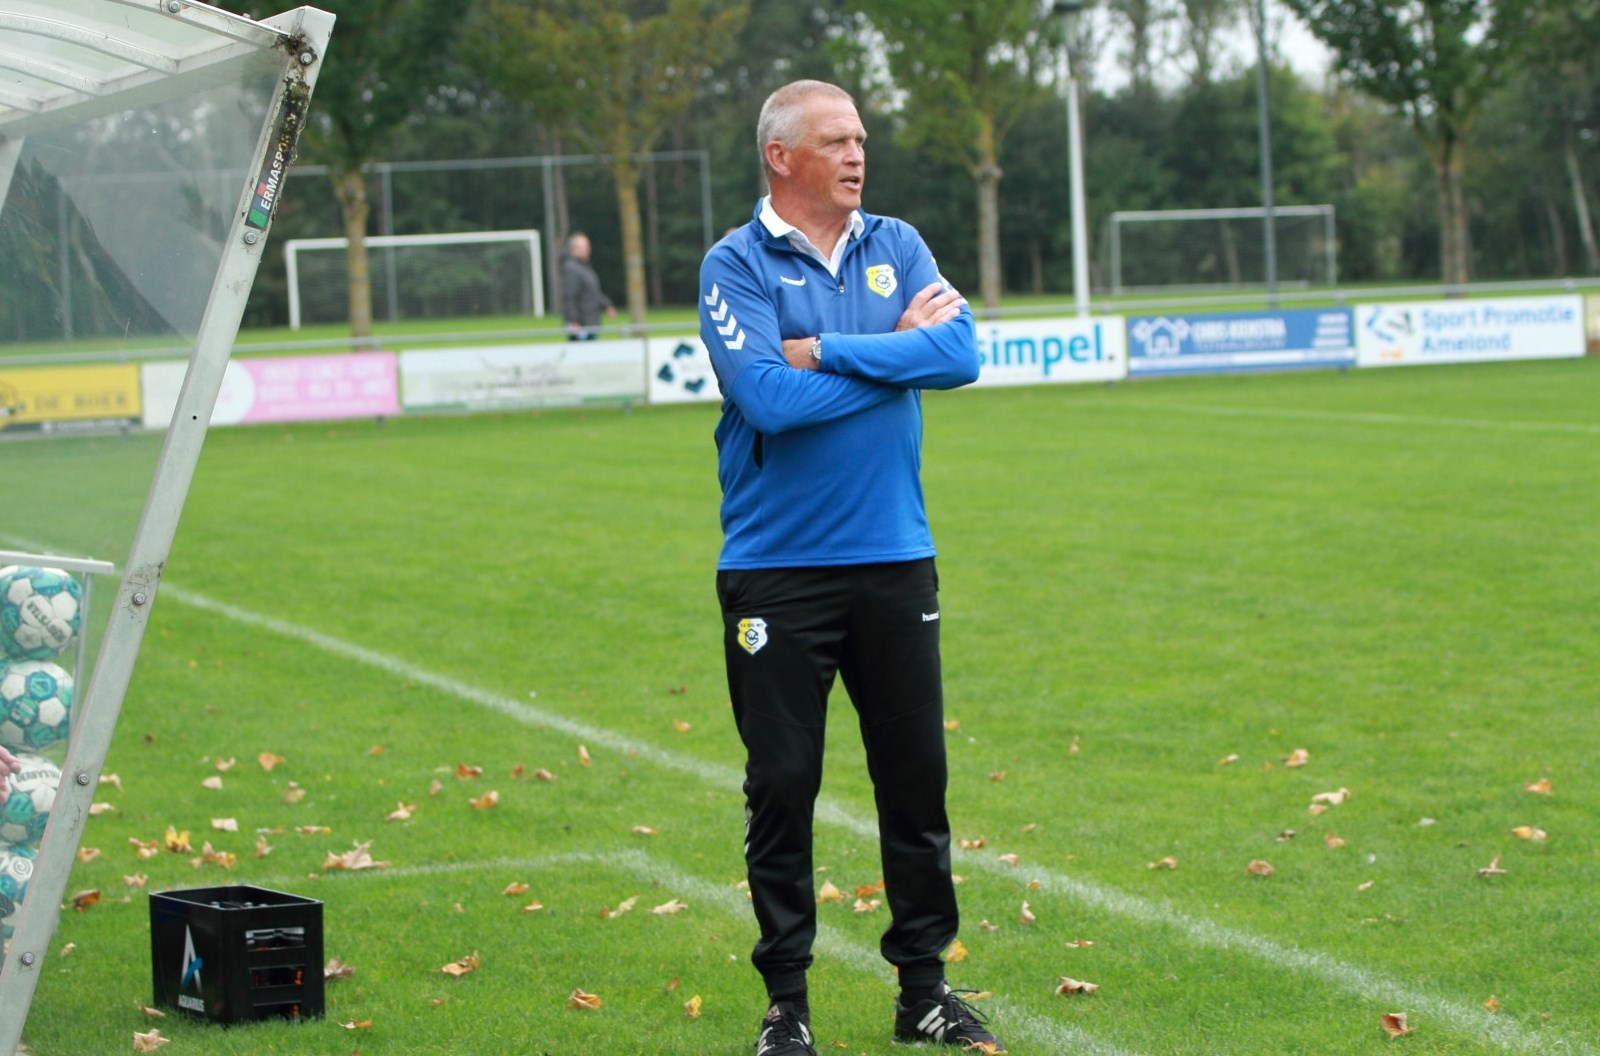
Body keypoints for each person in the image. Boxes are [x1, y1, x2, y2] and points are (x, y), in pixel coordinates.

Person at [698, 80, 1003, 1056]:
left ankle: (923, 993)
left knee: (916, 784)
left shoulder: (897, 244)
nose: (856, 154)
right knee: (781, 784)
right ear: (780, 157)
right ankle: (785, 1006)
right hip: (777, 570)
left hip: (896, 559)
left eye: (860, 138)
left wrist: (826, 348)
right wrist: (891, 357)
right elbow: (769, 403)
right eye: (834, 141)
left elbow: (957, 356)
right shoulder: (732, 264)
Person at [559, 231, 615, 340]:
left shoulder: (584, 267)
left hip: (590, 321)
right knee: (581, 355)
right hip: (580, 324)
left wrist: (606, 305)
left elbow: (592, 292)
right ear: (574, 249)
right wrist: (573, 320)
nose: (588, 249)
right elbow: (570, 296)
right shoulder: (571, 268)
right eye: (584, 247)